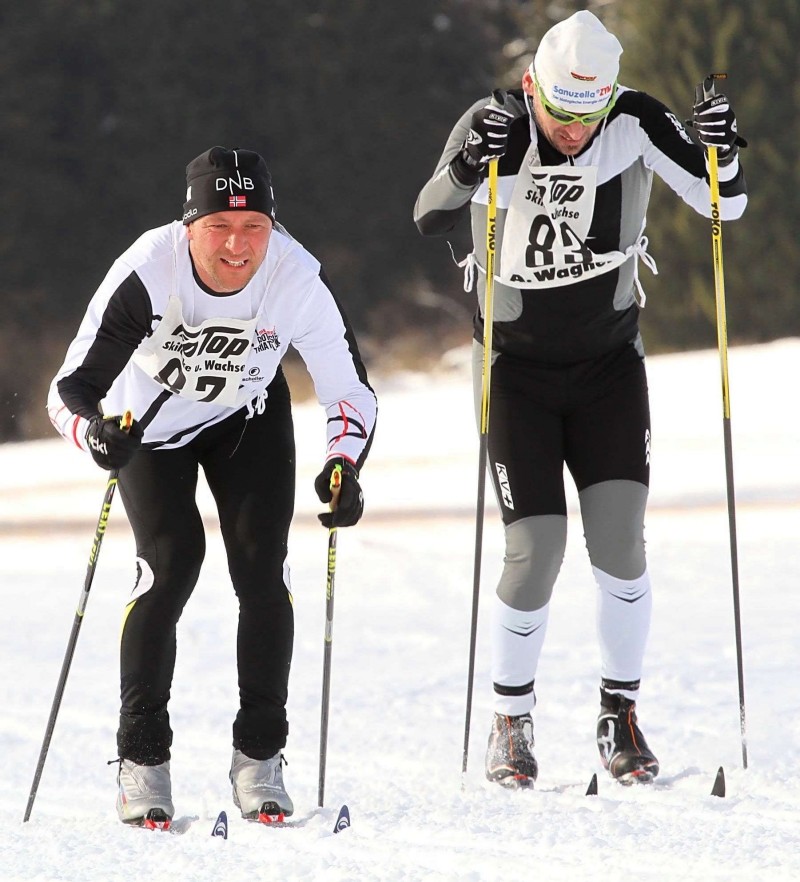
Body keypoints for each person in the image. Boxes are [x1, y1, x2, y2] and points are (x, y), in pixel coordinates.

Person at [414, 10, 746, 787]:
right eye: (560, 114)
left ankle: (618, 713)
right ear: (534, 88)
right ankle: (510, 719)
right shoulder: (496, 118)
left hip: (605, 366)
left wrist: (723, 152)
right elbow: (428, 215)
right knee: (534, 554)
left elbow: (723, 206)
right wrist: (469, 162)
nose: (573, 131)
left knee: (621, 548)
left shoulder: (633, 118)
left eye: (588, 116)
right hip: (512, 370)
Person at [47, 146, 377, 827]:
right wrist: (96, 436)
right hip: (151, 431)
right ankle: (142, 762)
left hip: (246, 420)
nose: (237, 246)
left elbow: (350, 391)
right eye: (219, 229)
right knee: (169, 567)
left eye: (253, 227)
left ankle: (259, 757)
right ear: (189, 226)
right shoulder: (148, 271)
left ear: (272, 227)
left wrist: (345, 464)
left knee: (263, 570)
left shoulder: (296, 278)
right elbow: (69, 391)